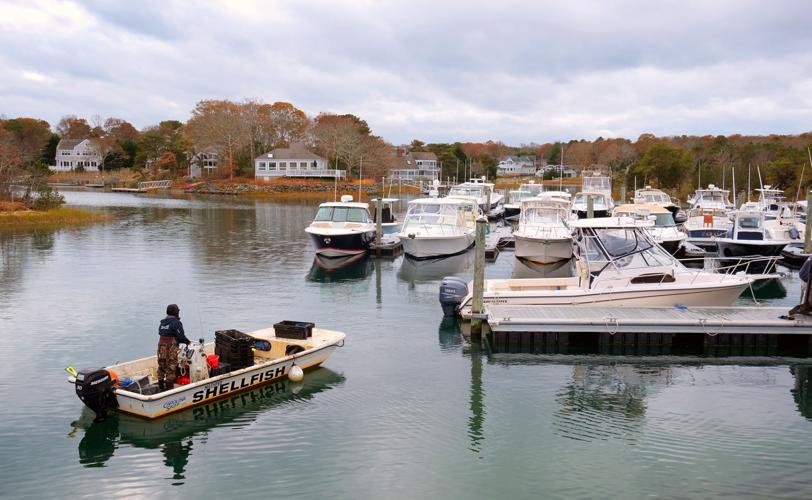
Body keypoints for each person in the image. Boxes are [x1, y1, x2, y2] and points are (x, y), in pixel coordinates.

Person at [157, 304, 191, 391]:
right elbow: (181, 337)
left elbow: (163, 334)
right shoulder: (176, 323)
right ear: (176, 312)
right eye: (178, 311)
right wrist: (188, 342)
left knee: (161, 367)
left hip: (161, 349)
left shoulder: (162, 323)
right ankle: (169, 390)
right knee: (171, 369)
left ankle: (160, 386)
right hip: (170, 350)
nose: (179, 313)